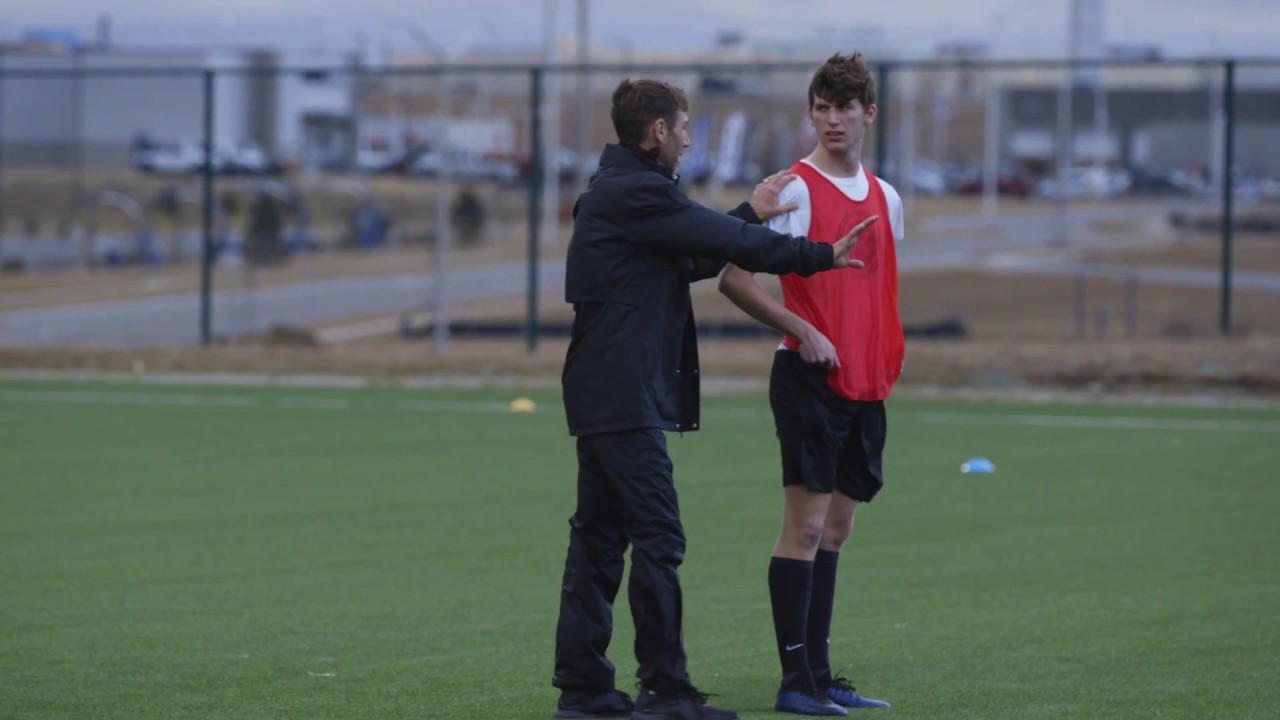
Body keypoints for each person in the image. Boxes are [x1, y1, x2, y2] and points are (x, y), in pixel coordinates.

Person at [553, 78, 878, 720]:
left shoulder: (627, 195)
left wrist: (751, 214)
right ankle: (665, 692)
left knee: (598, 538)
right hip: (619, 397)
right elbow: (722, 245)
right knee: (658, 537)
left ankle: (585, 689)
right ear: (658, 134)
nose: (686, 139)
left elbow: (695, 252)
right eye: (682, 129)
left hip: (608, 392)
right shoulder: (635, 192)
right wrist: (816, 256)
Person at [717, 52, 904, 717]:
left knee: (837, 531)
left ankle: (823, 677)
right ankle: (794, 683)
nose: (831, 120)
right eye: (821, 108)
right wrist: (804, 328)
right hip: (806, 378)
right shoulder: (791, 189)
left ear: (867, 115)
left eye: (843, 108)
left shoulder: (886, 198)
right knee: (805, 526)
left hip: (867, 386)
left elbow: (876, 294)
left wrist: (884, 355)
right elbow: (734, 277)